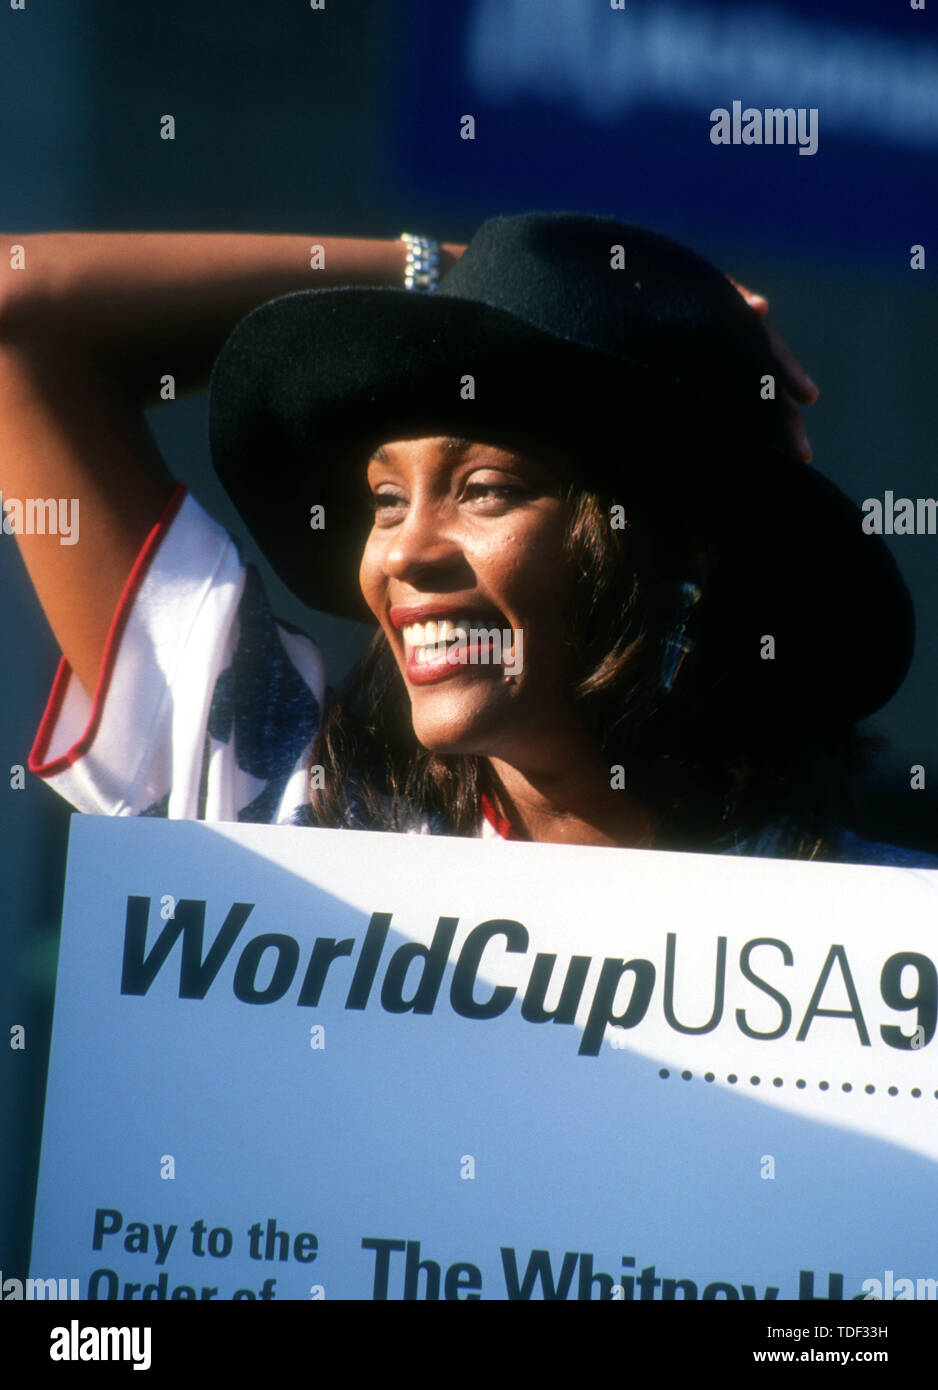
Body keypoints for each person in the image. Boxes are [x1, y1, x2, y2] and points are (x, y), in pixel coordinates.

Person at [1, 212, 934, 866]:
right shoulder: (285, 830)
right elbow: (19, 319)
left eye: (483, 491)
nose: (403, 555)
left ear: (686, 548)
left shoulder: (873, 949)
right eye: (385, 499)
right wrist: (452, 279)